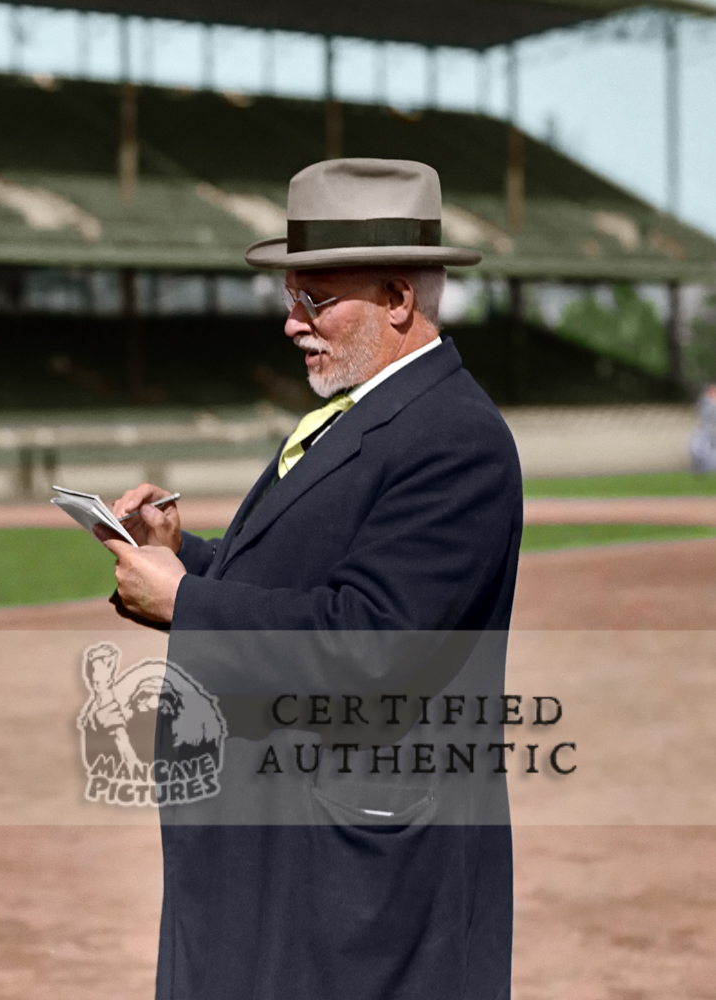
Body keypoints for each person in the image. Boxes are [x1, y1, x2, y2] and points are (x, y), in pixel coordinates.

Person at [104, 159, 523, 999]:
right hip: (285, 861)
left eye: (316, 299)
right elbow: (318, 584)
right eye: (291, 297)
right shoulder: (363, 412)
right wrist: (190, 559)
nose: (292, 324)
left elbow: (372, 645)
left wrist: (187, 603)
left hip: (357, 889)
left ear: (400, 298)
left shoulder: (455, 438)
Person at [691, 382, 716, 473]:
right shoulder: (705, 402)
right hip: (706, 432)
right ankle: (702, 468)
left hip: (712, 433)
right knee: (696, 447)